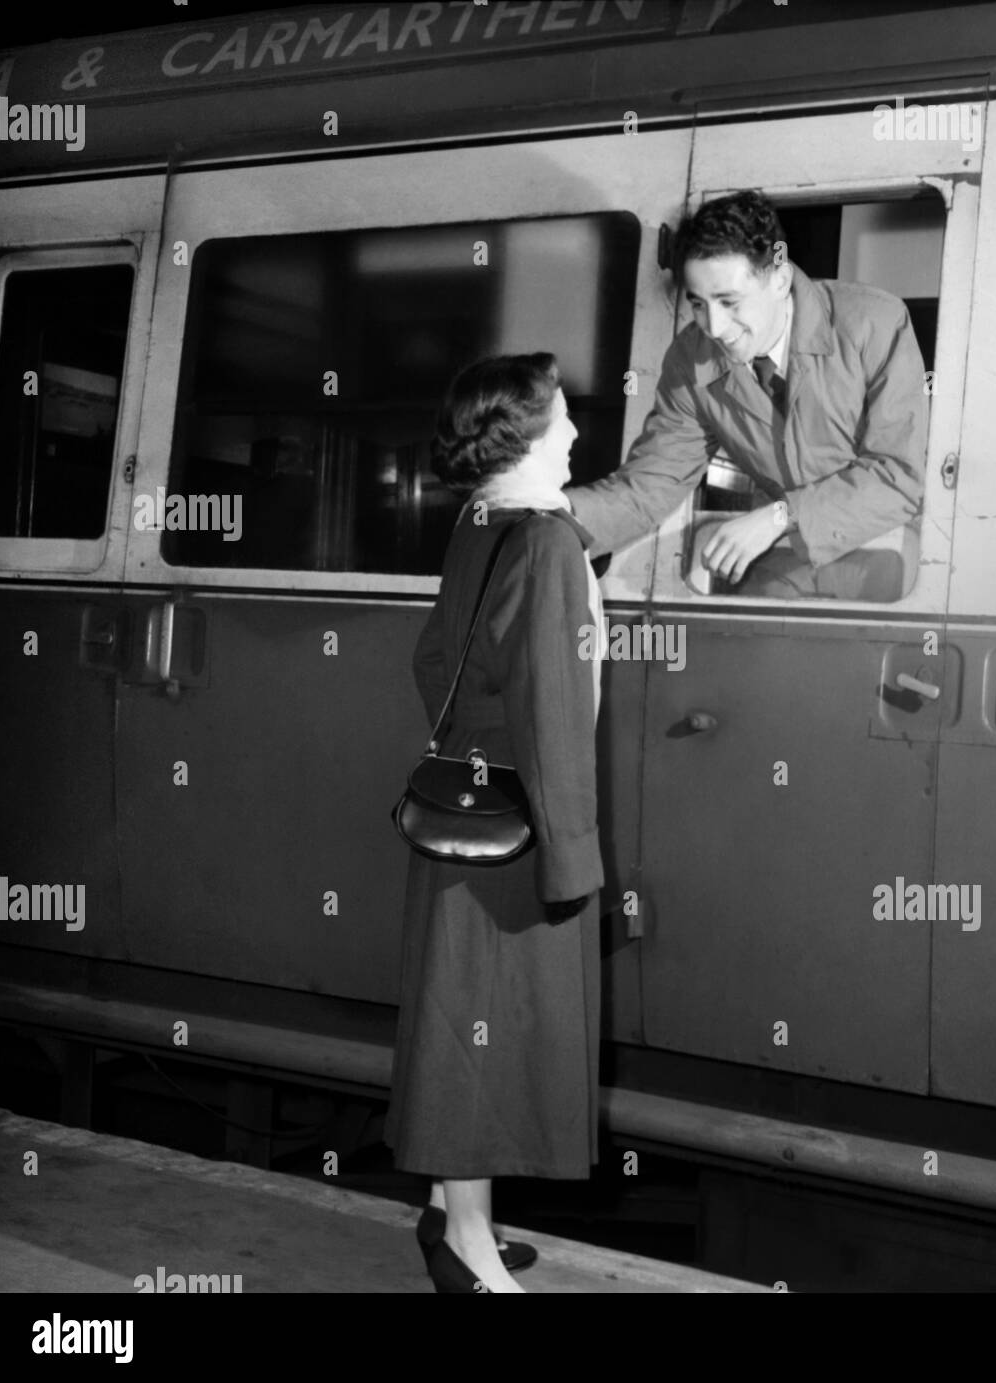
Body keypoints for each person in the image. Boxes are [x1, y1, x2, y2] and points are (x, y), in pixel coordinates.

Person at [384, 353, 605, 1294]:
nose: (575, 433)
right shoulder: (548, 544)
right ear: (522, 434)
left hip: (457, 811)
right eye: (561, 418)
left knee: (456, 1021)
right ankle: (468, 1247)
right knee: (490, 1034)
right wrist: (572, 857)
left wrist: (472, 739)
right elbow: (555, 713)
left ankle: (450, 1210)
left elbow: (435, 660)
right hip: (518, 828)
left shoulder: (479, 524)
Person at [566, 189, 929, 601]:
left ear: (780, 278)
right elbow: (648, 489)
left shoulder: (876, 323)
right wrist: (547, 518)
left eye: (729, 302)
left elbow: (899, 477)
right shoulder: (691, 361)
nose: (714, 327)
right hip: (792, 560)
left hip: (894, 559)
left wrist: (780, 516)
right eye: (699, 304)